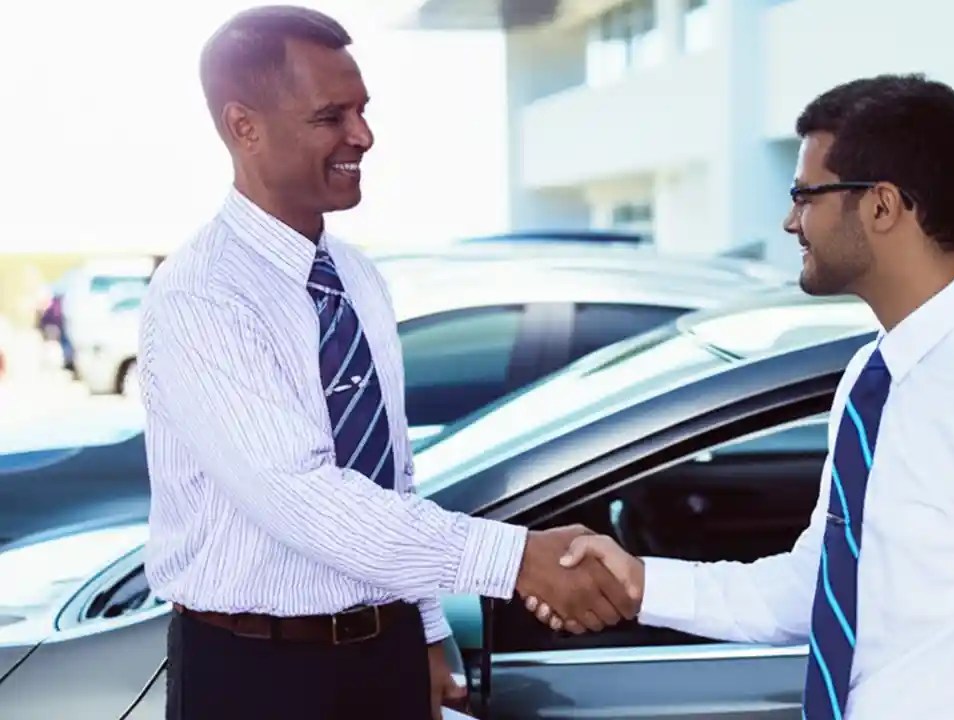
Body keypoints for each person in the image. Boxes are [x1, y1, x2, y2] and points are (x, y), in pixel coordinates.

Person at [530, 74, 954, 719]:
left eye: (805, 194)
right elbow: (820, 588)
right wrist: (640, 582)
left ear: (881, 205)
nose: (791, 220)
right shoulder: (874, 378)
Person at [140, 6, 635, 720]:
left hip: (387, 655)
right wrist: (515, 559)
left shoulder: (357, 276)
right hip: (259, 675)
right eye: (331, 116)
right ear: (243, 126)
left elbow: (390, 475)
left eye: (363, 110)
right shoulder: (200, 295)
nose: (363, 136)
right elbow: (305, 499)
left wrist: (428, 632)